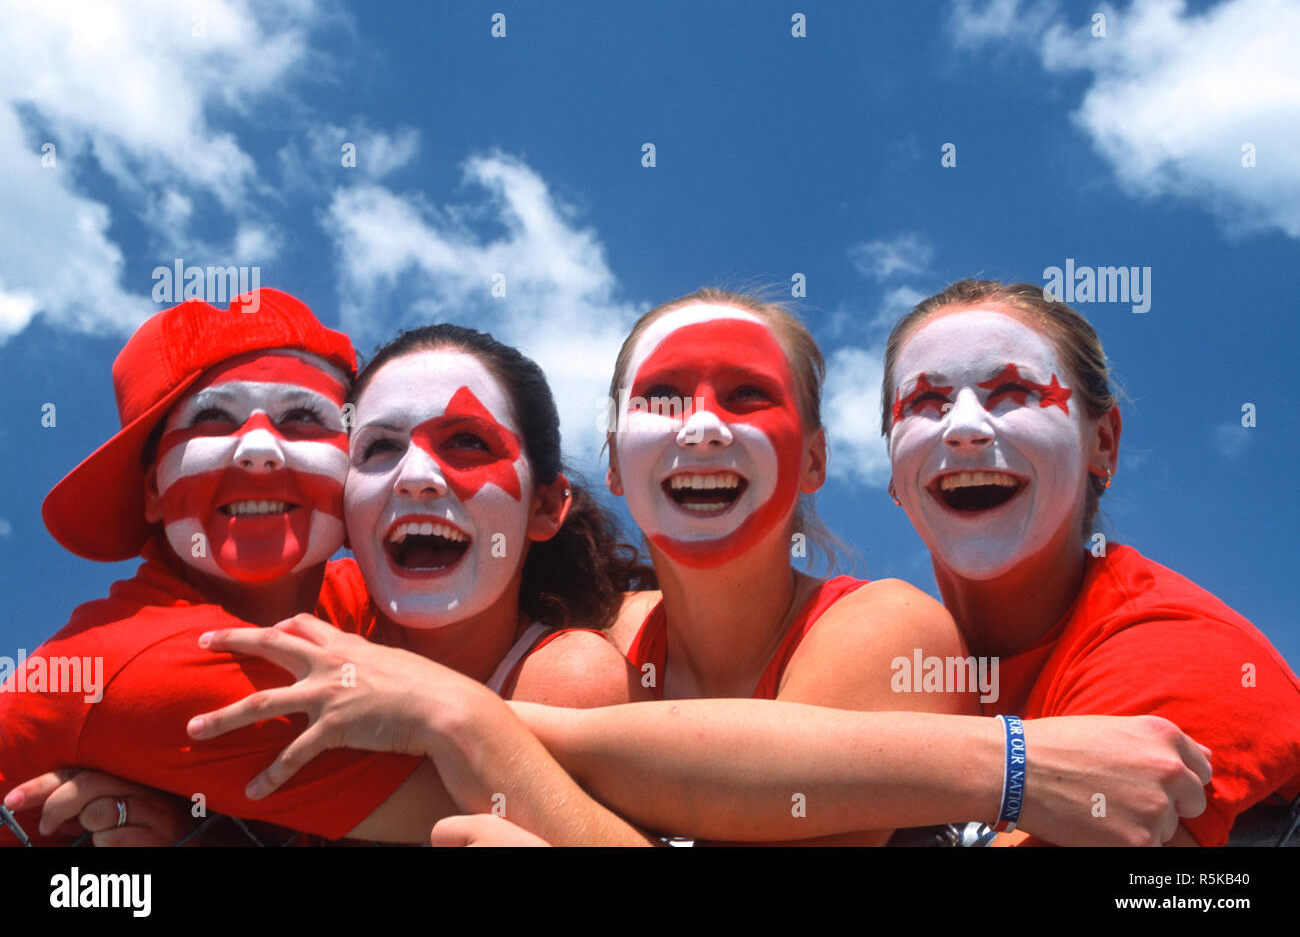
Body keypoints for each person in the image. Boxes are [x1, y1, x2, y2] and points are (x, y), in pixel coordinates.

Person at [175, 288, 1215, 847]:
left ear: (811, 459)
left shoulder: (887, 633)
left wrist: (457, 718)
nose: (703, 427)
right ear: (616, 462)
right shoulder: (587, 651)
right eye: (665, 399)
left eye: (746, 396)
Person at [2, 301, 646, 846]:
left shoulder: (351, 605)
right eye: (212, 419)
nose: (257, 450)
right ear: (150, 491)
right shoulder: (136, 663)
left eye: (304, 420)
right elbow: (529, 808)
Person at [877, 279, 1300, 845]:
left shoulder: (1183, 647)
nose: (964, 429)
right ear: (893, 466)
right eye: (926, 403)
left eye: (1013, 391)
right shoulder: (870, 646)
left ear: (1102, 442)